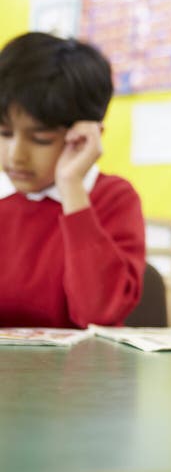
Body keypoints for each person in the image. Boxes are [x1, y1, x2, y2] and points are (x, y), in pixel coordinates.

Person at [0, 31, 145, 328]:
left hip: (79, 373)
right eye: (4, 134)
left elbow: (98, 313)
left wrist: (71, 188)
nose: (16, 156)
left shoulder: (112, 198)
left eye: (40, 139)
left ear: (84, 135)